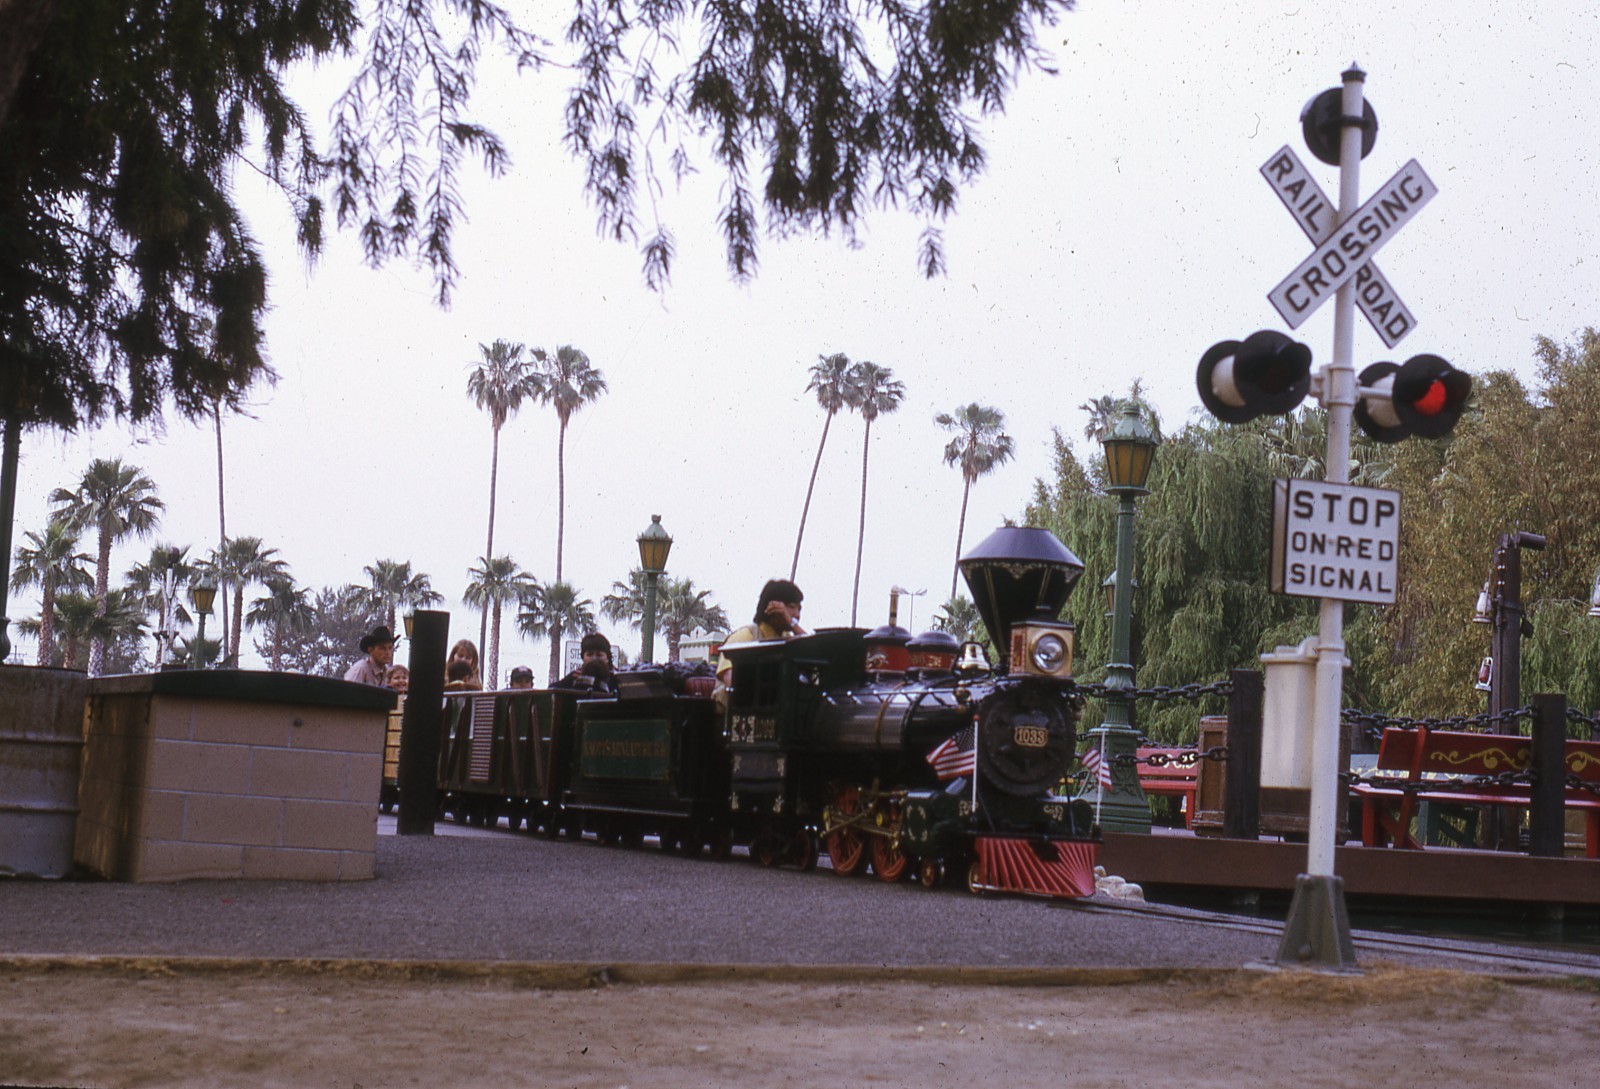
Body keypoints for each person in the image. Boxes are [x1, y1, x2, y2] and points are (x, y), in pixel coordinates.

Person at [715, 579, 806, 693]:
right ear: (773, 607)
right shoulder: (746, 636)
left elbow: (813, 652)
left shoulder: (788, 639)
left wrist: (793, 625)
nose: (797, 614)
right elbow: (731, 681)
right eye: (792, 607)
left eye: (799, 609)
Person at [552, 632, 618, 695]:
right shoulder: (575, 677)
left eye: (599, 655)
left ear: (608, 658)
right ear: (583, 657)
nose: (594, 658)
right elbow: (551, 691)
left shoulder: (618, 678)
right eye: (589, 654)